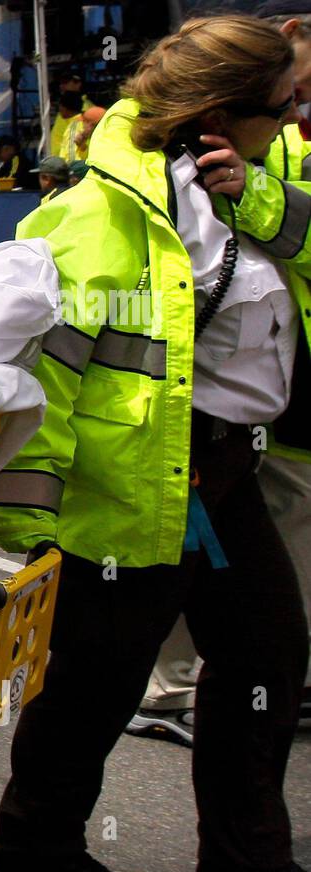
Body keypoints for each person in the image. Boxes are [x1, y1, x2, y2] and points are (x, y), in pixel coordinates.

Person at [0, 14, 309, 872]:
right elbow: (39, 377)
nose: (295, 121)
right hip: (132, 484)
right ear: (222, 112)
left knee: (266, 665)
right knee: (94, 685)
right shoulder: (95, 218)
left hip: (225, 473)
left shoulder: (245, 187)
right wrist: (29, 520)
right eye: (284, 107)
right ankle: (36, 858)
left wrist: (258, 195)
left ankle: (248, 869)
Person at [129, 2, 311, 745]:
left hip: (255, 407)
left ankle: (251, 853)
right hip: (183, 442)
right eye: (285, 104)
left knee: (262, 633)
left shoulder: (257, 150)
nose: (295, 116)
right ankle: (168, 690)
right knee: (109, 649)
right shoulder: (139, 187)